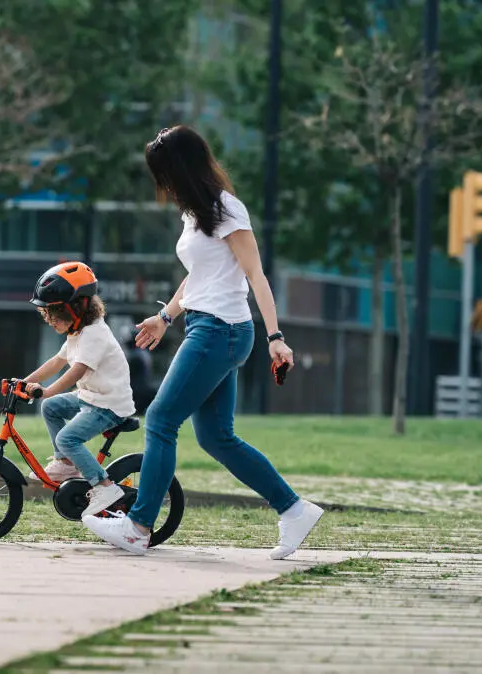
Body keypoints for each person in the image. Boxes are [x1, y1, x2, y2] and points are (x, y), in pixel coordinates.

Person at [83, 126, 321, 560]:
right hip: (203, 327)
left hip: (222, 332)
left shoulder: (227, 209)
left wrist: (276, 337)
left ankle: (138, 525)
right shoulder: (196, 213)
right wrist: (164, 316)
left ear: (185, 169)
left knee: (160, 419)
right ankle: (294, 509)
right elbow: (201, 275)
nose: (165, 185)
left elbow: (255, 274)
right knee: (216, 438)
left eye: (167, 174)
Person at [23, 261, 135, 518]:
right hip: (92, 397)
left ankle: (104, 486)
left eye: (53, 312)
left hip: (109, 405)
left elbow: (77, 371)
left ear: (76, 307)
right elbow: (57, 362)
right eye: (47, 313)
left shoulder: (94, 334)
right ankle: (66, 464)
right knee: (50, 408)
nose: (49, 319)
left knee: (67, 437)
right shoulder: (77, 333)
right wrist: (24, 381)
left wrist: (46, 390)